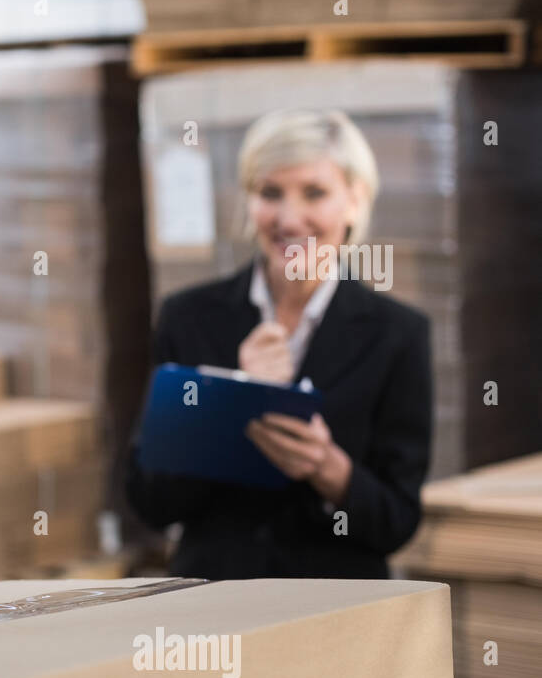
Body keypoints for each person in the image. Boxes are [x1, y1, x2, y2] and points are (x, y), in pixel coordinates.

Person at [125, 108, 432, 579]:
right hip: (217, 602)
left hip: (335, 604)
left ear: (355, 200)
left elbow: (397, 522)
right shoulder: (189, 318)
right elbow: (151, 502)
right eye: (270, 193)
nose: (290, 219)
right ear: (249, 201)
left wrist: (328, 469)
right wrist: (231, 403)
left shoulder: (397, 334)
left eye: (315, 192)